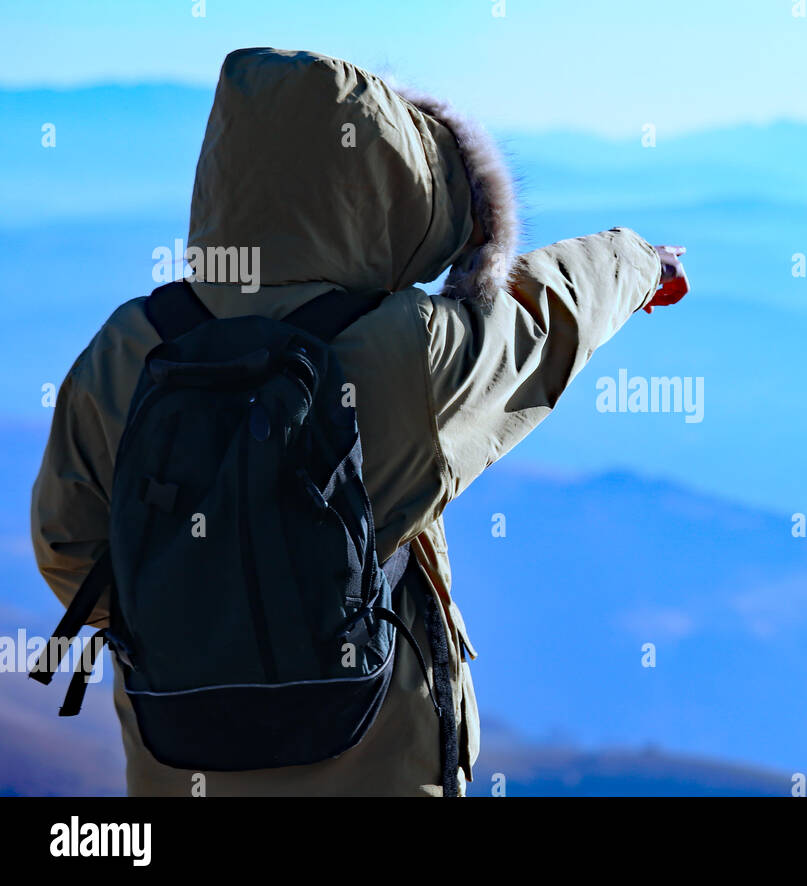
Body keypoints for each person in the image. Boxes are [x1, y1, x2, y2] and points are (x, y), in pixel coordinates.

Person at [29, 47, 688, 796]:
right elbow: (540, 322)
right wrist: (637, 262)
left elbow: (68, 547)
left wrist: (204, 621)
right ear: (387, 191)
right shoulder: (405, 350)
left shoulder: (130, 345)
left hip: (176, 766)